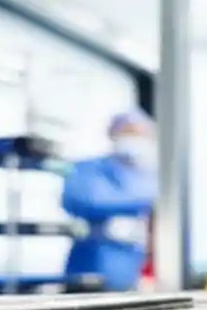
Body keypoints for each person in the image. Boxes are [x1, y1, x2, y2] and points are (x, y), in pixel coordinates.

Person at [62, 110, 158, 291]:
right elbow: (80, 200)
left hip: (137, 266)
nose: (134, 139)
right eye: (128, 132)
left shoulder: (152, 175)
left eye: (140, 134)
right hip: (93, 261)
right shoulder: (86, 169)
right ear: (112, 134)